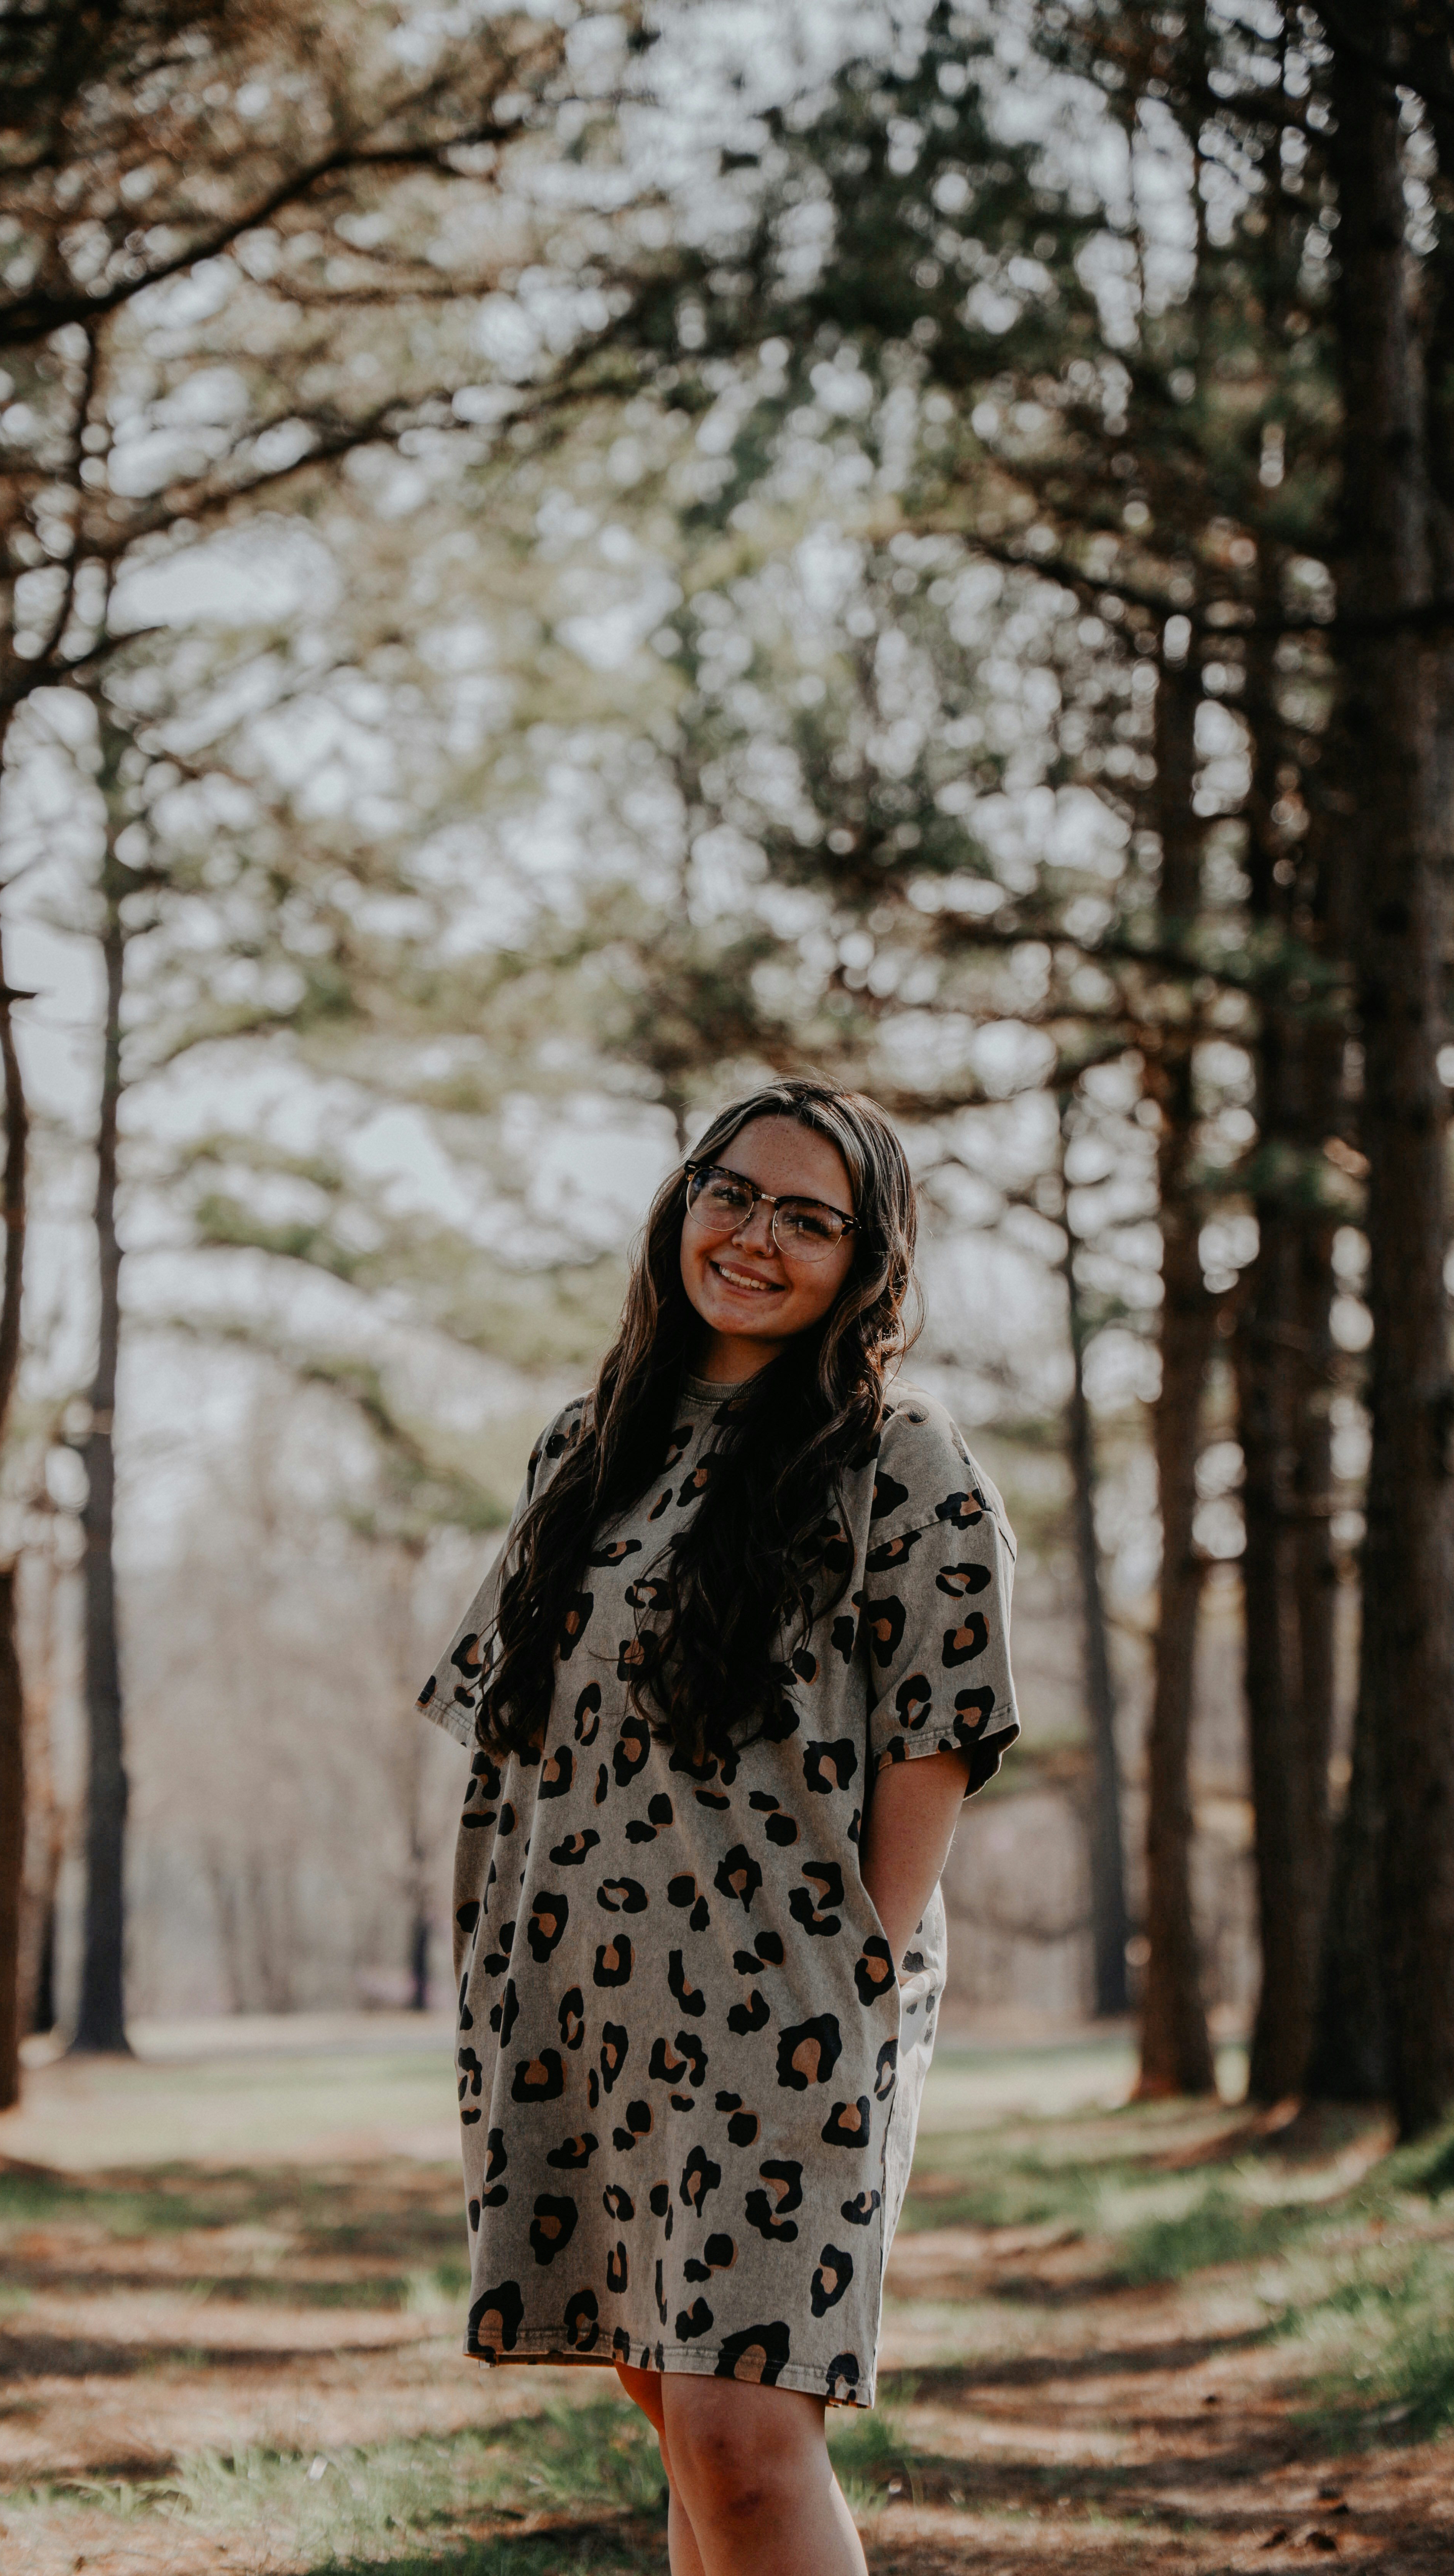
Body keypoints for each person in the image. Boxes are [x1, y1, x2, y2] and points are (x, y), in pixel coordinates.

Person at [418, 1076, 1019, 2576]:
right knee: (683, 2427)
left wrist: (861, 1984)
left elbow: (935, 1743)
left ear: (865, 1259)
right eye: (732, 1193)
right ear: (683, 1203)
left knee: (747, 2440)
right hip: (584, 1987)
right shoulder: (587, 1445)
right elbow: (513, 1733)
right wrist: (503, 1975)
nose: (755, 1237)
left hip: (794, 2001)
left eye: (808, 1218)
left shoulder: (904, 1459)